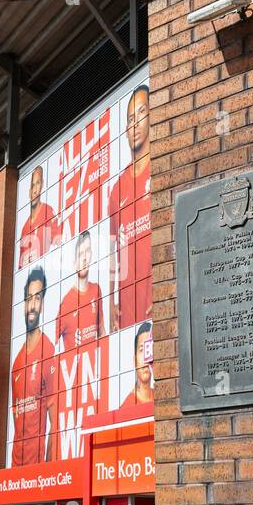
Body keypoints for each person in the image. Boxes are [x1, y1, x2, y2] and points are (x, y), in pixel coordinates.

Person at [109, 85, 151, 332]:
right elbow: (113, 250)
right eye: (130, 119)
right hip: (126, 312)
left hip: (155, 305)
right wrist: (112, 300)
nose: (134, 124)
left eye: (141, 114)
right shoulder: (116, 191)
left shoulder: (160, 169)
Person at [10, 265, 57, 465]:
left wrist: (47, 468)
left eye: (37, 298)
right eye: (29, 298)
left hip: (37, 469)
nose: (32, 304)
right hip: (14, 467)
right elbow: (16, 417)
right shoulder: (17, 363)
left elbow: (55, 423)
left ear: (42, 303)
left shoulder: (48, 351)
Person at [56, 229, 104, 351]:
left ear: (91, 255)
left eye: (87, 252)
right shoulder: (65, 304)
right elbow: (53, 350)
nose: (84, 258)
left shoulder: (96, 290)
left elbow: (102, 332)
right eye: (80, 254)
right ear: (74, 263)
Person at [18, 164, 58, 266]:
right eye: (32, 186)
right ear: (29, 192)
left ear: (42, 185)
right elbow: (20, 266)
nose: (35, 190)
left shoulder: (48, 212)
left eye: (38, 183)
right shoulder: (24, 229)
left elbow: (59, 243)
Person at [117, 321, 154, 413]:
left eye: (149, 349)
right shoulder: (127, 407)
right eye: (142, 349)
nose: (146, 358)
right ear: (134, 360)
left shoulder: (160, 397)